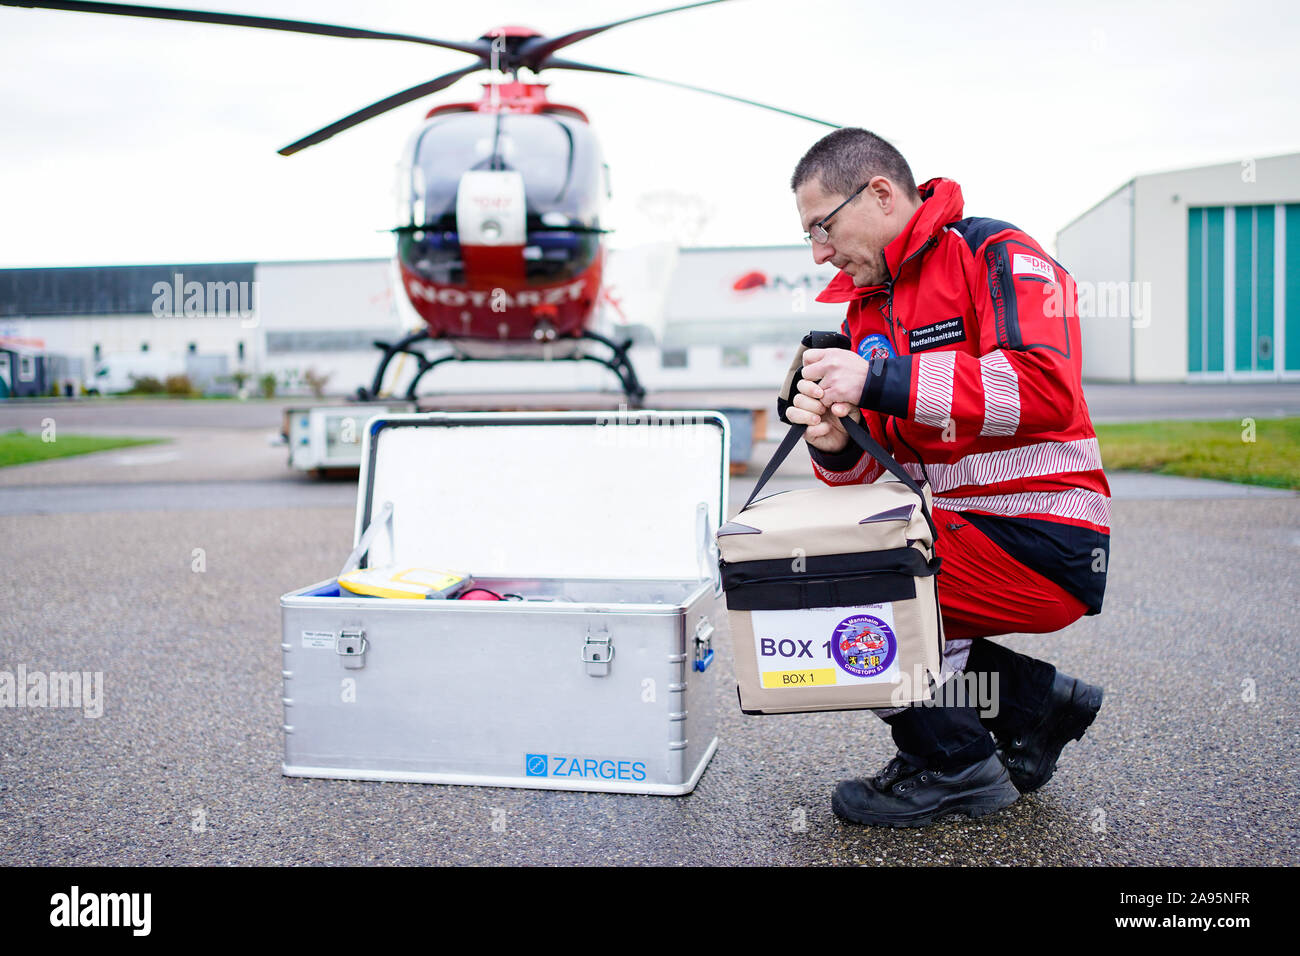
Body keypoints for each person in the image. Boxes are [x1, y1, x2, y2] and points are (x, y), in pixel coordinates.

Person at [786, 127, 1110, 827]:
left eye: (822, 225)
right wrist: (836, 441)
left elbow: (1047, 388)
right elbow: (875, 479)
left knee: (843, 587)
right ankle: (1031, 705)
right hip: (960, 532)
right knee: (829, 567)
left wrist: (880, 377)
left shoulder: (996, 253)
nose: (819, 252)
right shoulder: (866, 308)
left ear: (878, 193)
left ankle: (955, 764)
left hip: (1043, 531)